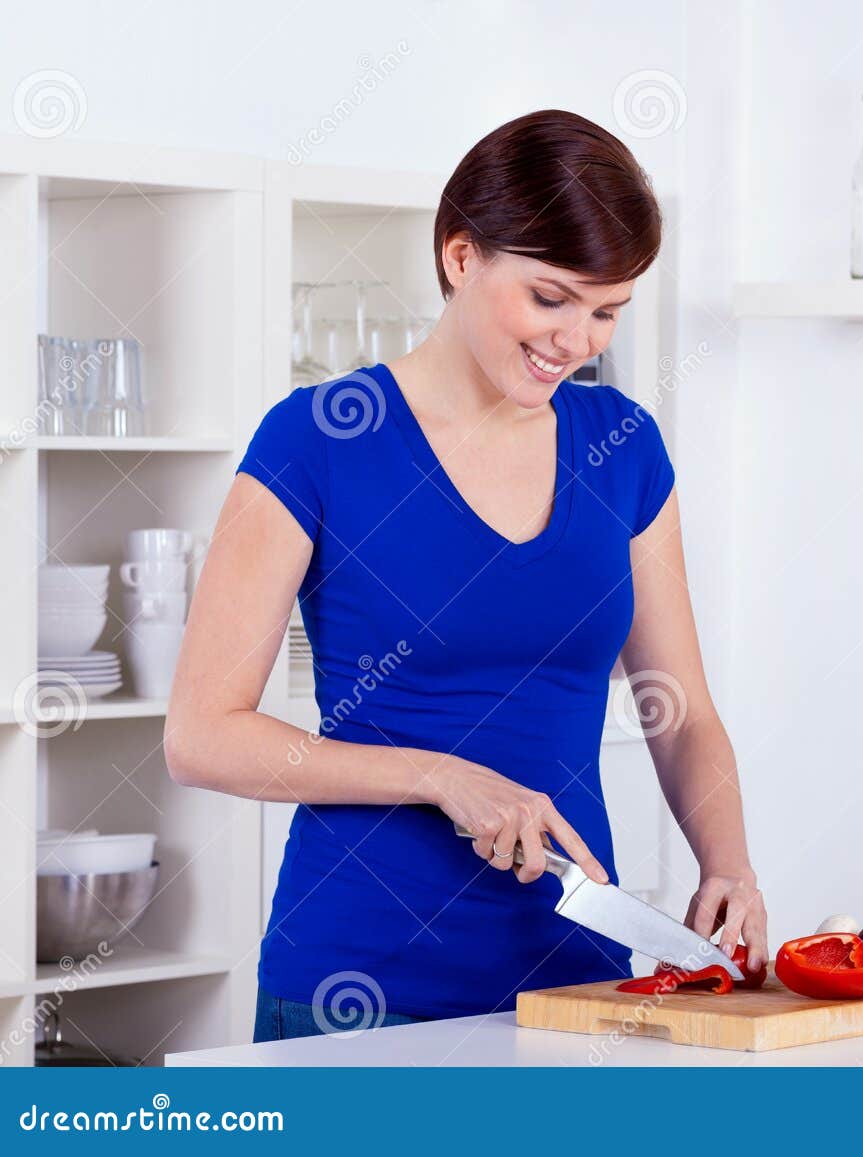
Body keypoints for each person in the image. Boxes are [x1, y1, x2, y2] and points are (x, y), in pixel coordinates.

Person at [164, 110, 766, 1041]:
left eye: (607, 311)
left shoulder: (623, 448)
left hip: (580, 980)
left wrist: (728, 864)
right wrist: (442, 776)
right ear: (459, 256)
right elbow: (202, 735)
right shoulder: (320, 438)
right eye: (551, 298)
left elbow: (677, 703)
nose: (578, 340)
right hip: (361, 980)